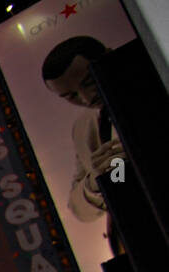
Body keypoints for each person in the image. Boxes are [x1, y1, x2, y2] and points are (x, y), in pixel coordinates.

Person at [42, 35, 125, 253]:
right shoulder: (84, 127)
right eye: (70, 96)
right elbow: (78, 208)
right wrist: (97, 183)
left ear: (108, 56)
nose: (86, 98)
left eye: (89, 82)